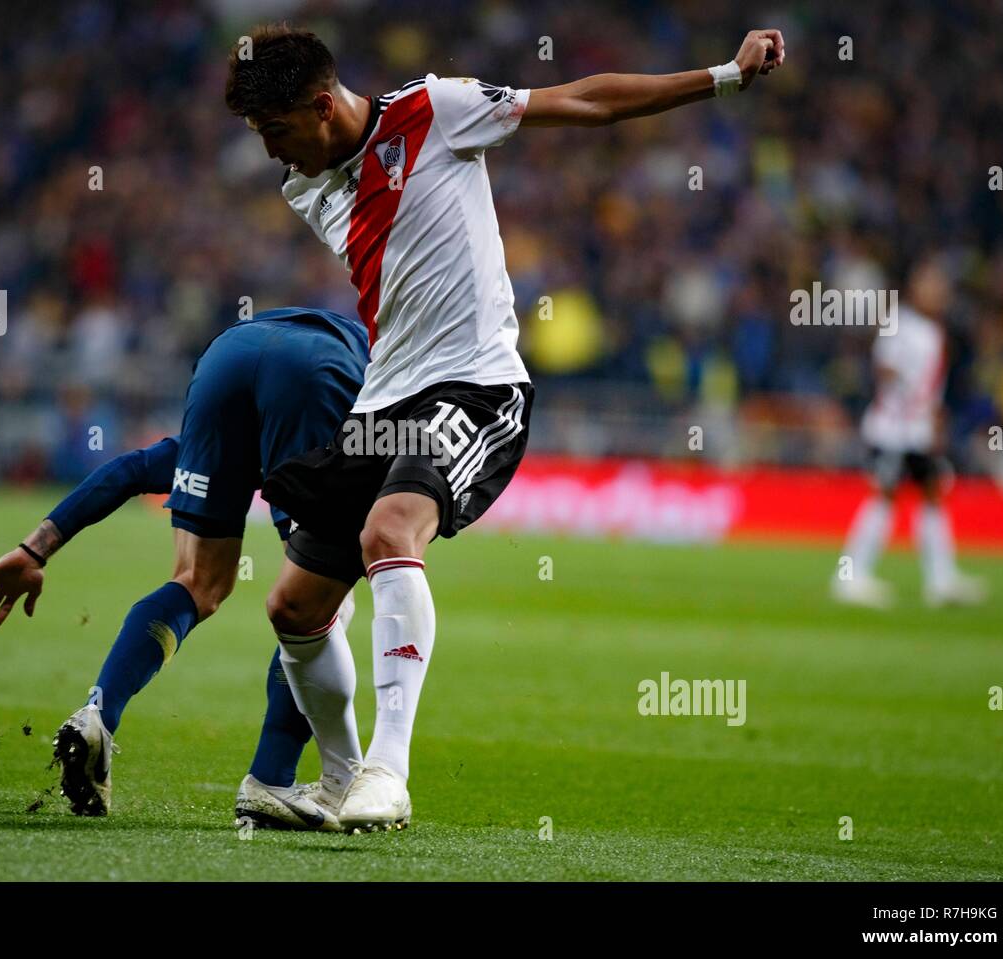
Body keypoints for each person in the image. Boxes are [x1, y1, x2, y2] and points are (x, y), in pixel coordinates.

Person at [224, 23, 786, 831]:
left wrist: (726, 75)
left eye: (275, 132)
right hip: (386, 400)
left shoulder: (434, 109)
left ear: (319, 106)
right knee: (293, 606)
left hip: (475, 386)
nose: (273, 154)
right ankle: (341, 779)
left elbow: (584, 100)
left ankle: (389, 768)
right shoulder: (306, 184)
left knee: (391, 530)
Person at [0, 307, 369, 829]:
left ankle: (98, 716)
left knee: (198, 582)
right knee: (321, 598)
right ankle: (272, 780)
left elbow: (136, 469)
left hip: (228, 353)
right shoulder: (404, 366)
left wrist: (36, 548)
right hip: (319, 369)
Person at [833, 258, 987, 608]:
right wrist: (906, 401)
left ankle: (941, 580)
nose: (939, 291)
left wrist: (932, 417)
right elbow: (884, 367)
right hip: (893, 430)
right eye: (931, 283)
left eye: (941, 285)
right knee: (883, 496)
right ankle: (850, 576)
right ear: (915, 287)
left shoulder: (934, 330)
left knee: (931, 494)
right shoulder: (899, 322)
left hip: (916, 431)